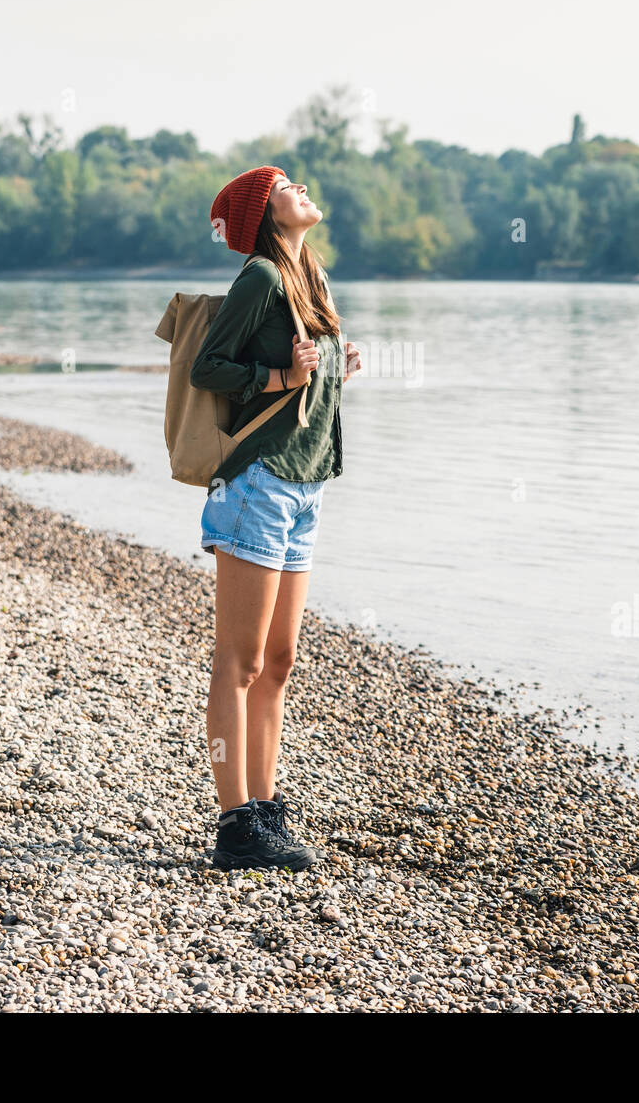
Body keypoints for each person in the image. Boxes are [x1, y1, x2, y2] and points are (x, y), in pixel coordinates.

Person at [189, 165, 360, 869]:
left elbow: (302, 382)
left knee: (279, 664)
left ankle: (265, 809)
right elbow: (209, 367)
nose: (302, 187)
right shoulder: (260, 277)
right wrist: (278, 378)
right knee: (241, 660)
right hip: (257, 484)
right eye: (287, 185)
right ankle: (235, 827)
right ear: (264, 212)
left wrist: (330, 371)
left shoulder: (309, 279)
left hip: (304, 484)